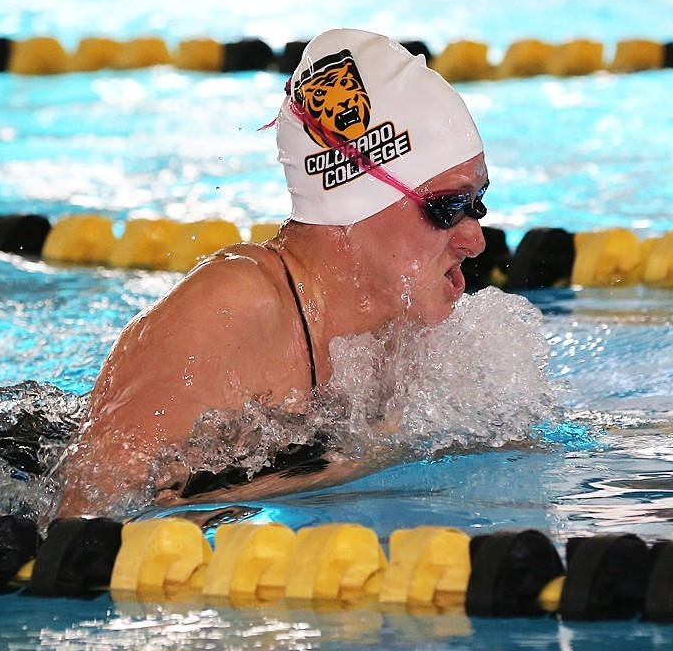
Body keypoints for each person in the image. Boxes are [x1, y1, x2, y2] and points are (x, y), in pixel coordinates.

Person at [57, 29, 489, 516]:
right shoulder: (229, 311)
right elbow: (83, 524)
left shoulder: (405, 323)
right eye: (447, 208)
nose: (475, 241)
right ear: (355, 199)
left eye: (478, 204)